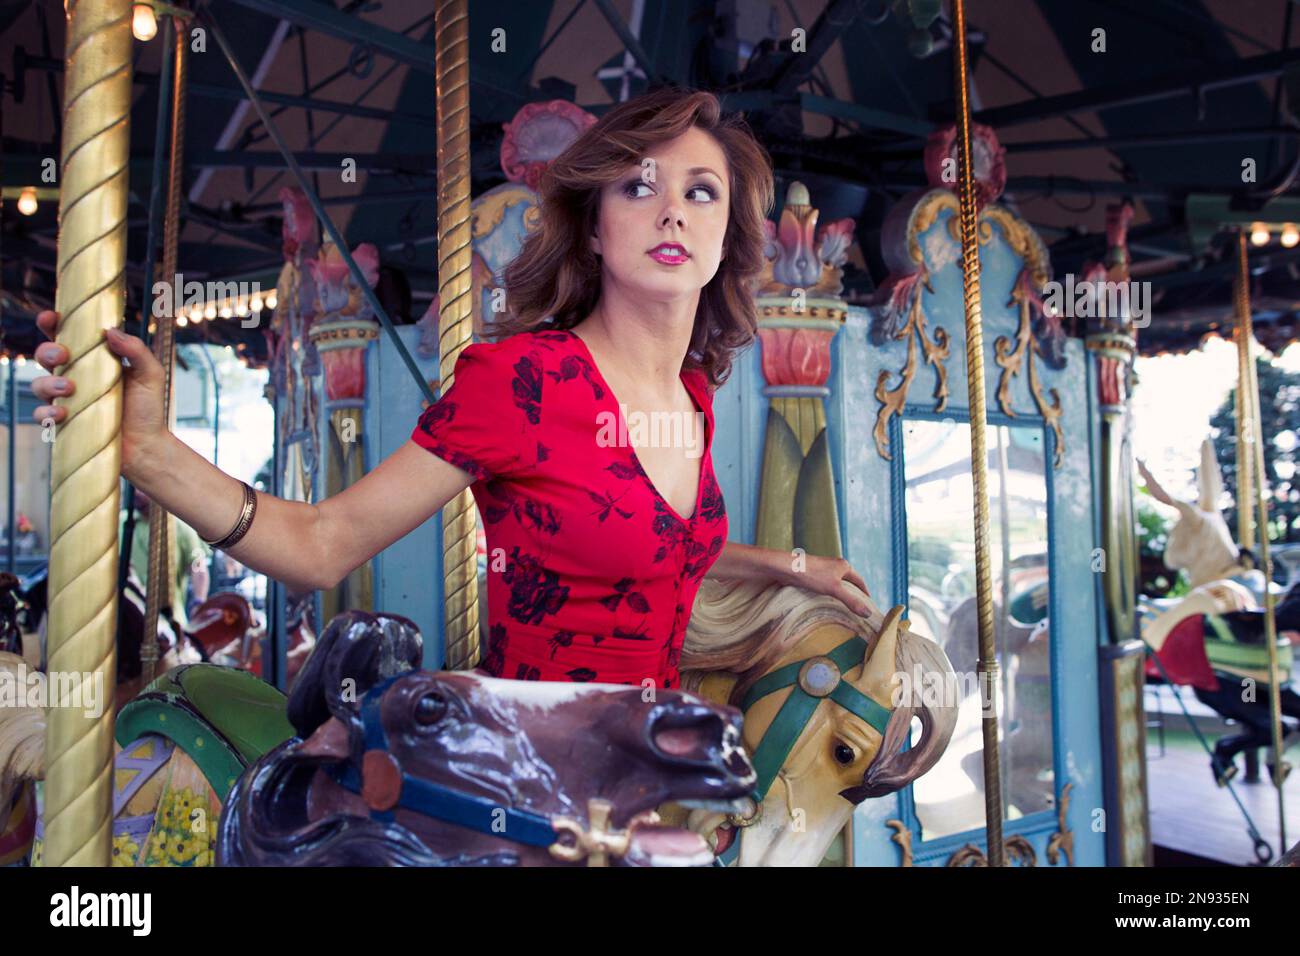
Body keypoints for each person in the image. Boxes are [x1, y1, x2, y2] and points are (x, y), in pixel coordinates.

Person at [30, 86, 873, 690]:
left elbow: (658, 543)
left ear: (728, 235)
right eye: (637, 187)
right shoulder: (522, 384)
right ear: (593, 225)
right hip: (538, 791)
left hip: (647, 777)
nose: (673, 212)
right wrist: (149, 454)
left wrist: (792, 568)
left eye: (702, 192)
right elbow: (322, 544)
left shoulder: (693, 395)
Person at [119, 486, 210, 627]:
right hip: (127, 620)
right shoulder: (120, 522)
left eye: (141, 487)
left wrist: (199, 601)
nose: (136, 493)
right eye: (133, 487)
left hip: (170, 621)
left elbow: (198, 567)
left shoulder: (180, 526)